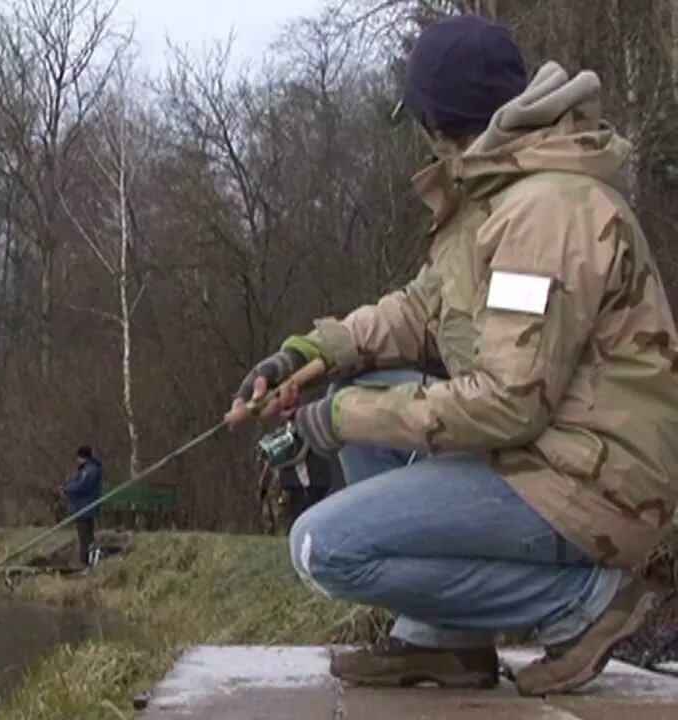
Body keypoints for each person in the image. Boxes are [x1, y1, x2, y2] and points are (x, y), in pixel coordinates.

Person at [226, 14, 678, 697]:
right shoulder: (495, 193)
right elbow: (420, 308)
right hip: (548, 455)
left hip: (595, 487)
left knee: (324, 549)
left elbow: (507, 405)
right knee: (374, 371)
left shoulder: (543, 212)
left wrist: (343, 416)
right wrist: (306, 354)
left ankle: (582, 604)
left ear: (436, 121)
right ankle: (443, 642)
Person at [63, 445, 103, 567]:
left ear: (81, 457)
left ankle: (86, 562)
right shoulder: (88, 469)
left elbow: (82, 486)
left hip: (84, 507)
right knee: (86, 535)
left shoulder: (89, 470)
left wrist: (67, 489)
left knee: (85, 536)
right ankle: (88, 561)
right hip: (84, 507)